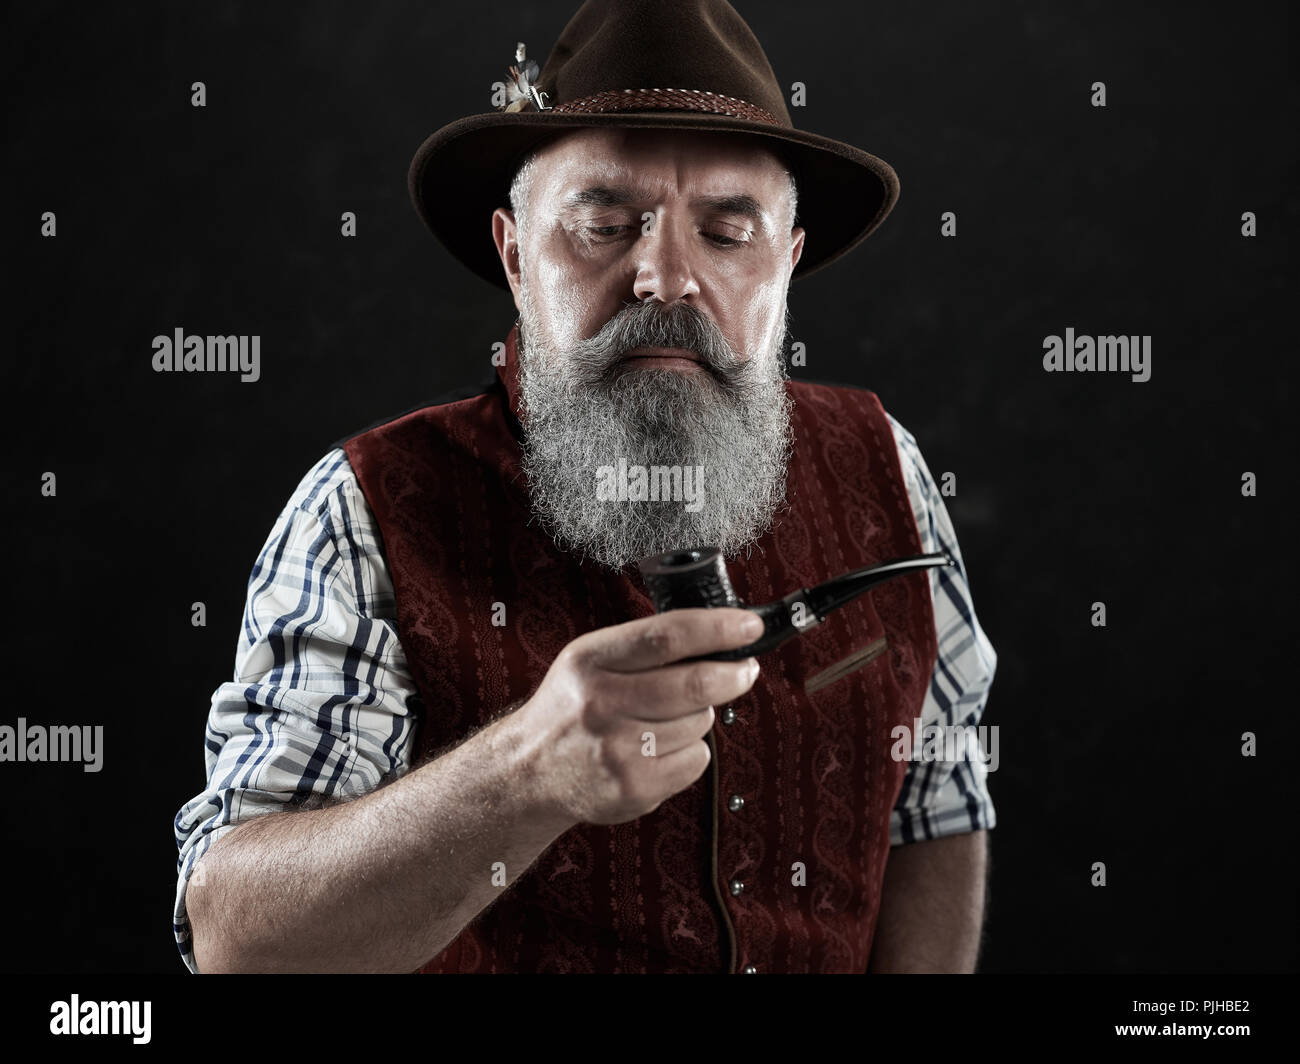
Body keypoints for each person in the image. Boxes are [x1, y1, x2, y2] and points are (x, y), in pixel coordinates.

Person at [173, 0, 997, 974]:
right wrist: (525, 775)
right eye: (606, 223)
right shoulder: (363, 510)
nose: (666, 277)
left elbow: (938, 801)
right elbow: (236, 938)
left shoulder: (885, 466)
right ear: (515, 254)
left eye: (729, 232)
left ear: (788, 261)